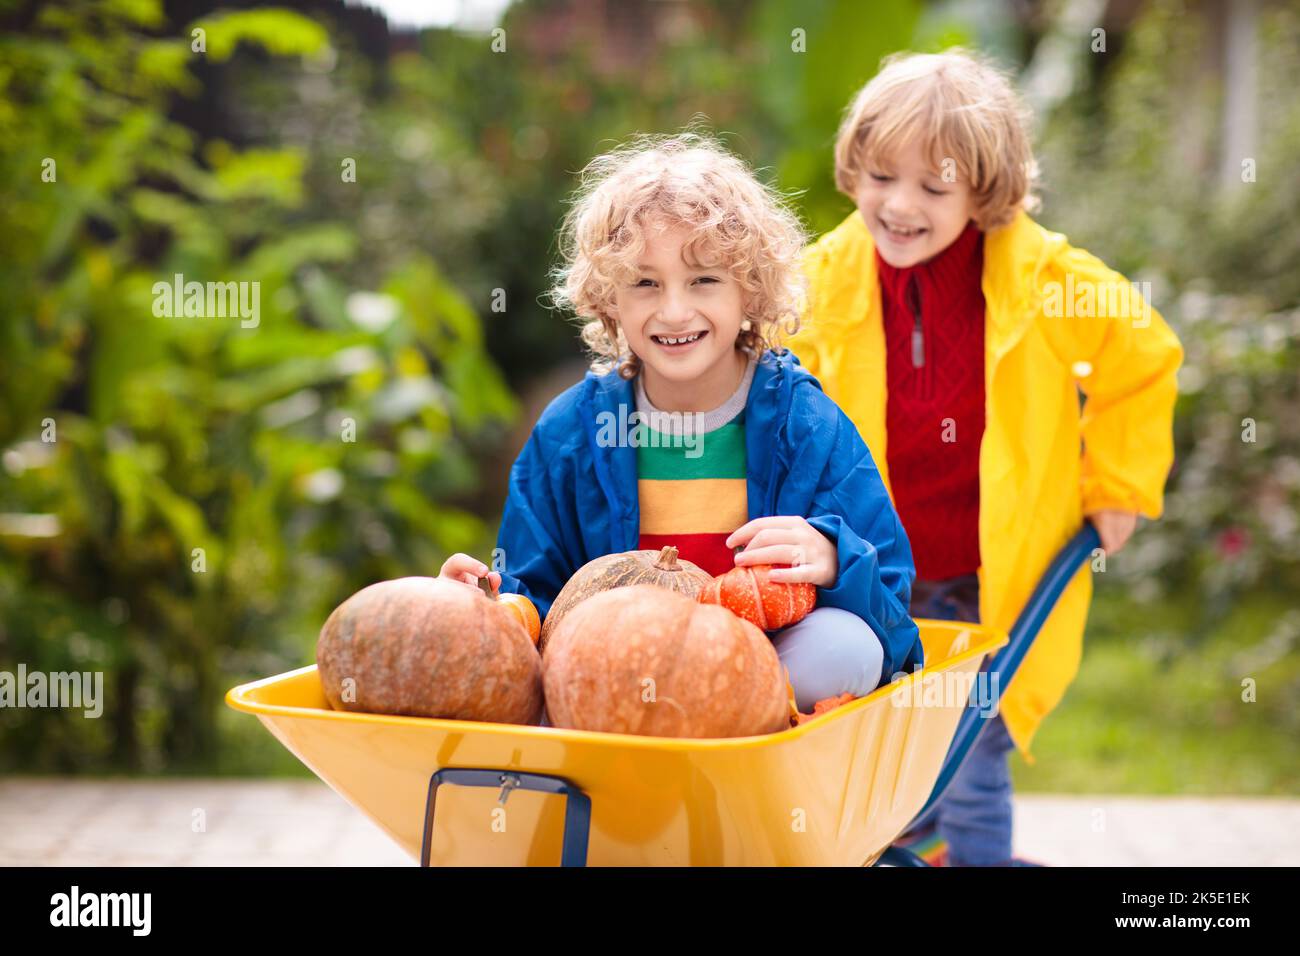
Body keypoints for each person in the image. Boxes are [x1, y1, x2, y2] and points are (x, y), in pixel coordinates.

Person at [786, 49, 1182, 865]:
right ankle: (909, 844)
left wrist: (1116, 485)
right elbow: (772, 400)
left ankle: (974, 854)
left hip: (989, 571)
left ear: (984, 195)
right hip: (866, 564)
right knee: (873, 736)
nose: (900, 206)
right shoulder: (817, 285)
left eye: (934, 189)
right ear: (854, 167)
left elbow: (1142, 356)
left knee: (972, 742)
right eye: (881, 178)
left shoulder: (1045, 282)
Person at [440, 132, 923, 717]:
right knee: (528, 684)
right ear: (608, 298)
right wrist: (491, 604)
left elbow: (893, 602)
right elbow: (533, 590)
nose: (673, 310)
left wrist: (834, 558)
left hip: (756, 671)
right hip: (610, 675)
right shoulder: (572, 431)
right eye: (645, 283)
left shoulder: (806, 425)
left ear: (750, 291)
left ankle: (740, 735)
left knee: (846, 648)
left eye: (704, 280)